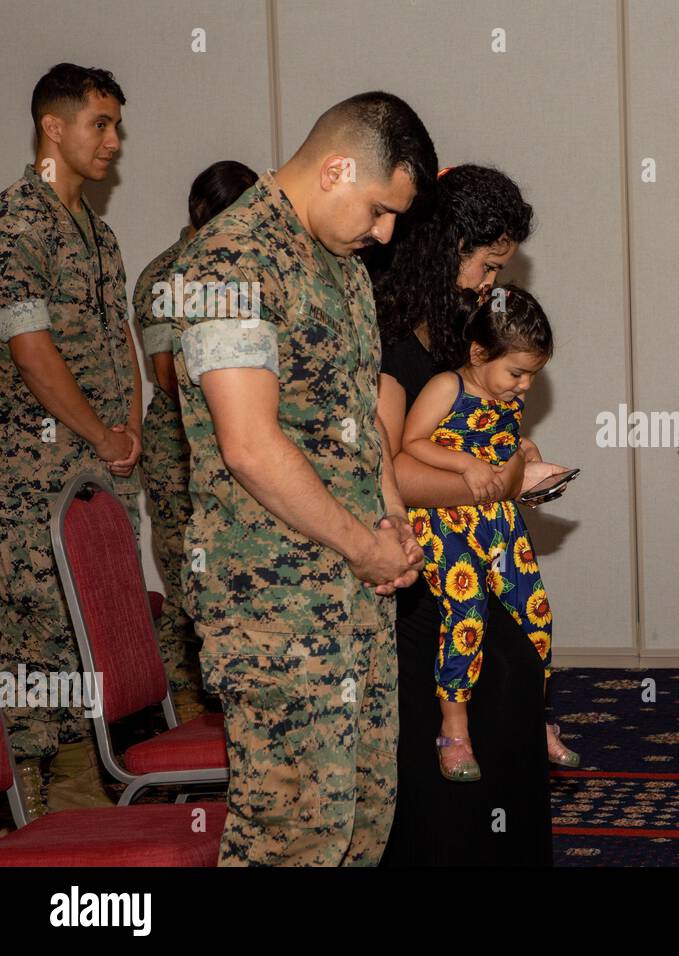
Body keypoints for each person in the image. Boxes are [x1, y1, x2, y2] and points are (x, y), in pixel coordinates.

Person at [171, 91, 435, 866]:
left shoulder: (343, 265)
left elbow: (358, 425)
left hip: (352, 595)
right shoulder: (231, 260)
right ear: (338, 168)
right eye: (381, 210)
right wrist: (364, 547)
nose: (385, 233)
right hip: (274, 607)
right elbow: (250, 446)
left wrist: (393, 522)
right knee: (293, 839)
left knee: (361, 826)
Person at [372, 164, 564, 866]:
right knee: (492, 676)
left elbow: (485, 442)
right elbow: (389, 472)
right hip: (422, 571)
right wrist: (504, 483)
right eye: (485, 265)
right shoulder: (396, 344)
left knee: (519, 661)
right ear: (447, 246)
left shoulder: (465, 334)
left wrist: (521, 472)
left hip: (478, 546)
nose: (490, 284)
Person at [0, 63, 141, 818]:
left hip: (100, 466)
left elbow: (119, 335)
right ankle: (29, 809)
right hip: (38, 472)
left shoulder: (98, 230)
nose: (114, 141)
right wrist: (100, 432)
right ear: (53, 128)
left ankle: (90, 795)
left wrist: (131, 432)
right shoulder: (18, 223)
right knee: (39, 639)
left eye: (117, 126)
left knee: (100, 633)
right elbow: (30, 349)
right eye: (100, 124)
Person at [402, 285, 556, 782]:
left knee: (535, 611)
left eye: (533, 374)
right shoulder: (448, 386)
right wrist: (467, 465)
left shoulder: (504, 395)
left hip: (498, 523)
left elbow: (501, 443)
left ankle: (537, 716)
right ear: (478, 353)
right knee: (467, 616)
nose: (525, 385)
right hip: (448, 524)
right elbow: (411, 442)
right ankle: (454, 731)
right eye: (517, 372)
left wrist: (528, 454)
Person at [132, 160, 257, 720]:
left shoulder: (243, 266)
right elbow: (166, 373)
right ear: (206, 213)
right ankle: (180, 709)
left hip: (235, 437)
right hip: (179, 447)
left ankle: (225, 700)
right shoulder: (168, 277)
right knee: (188, 569)